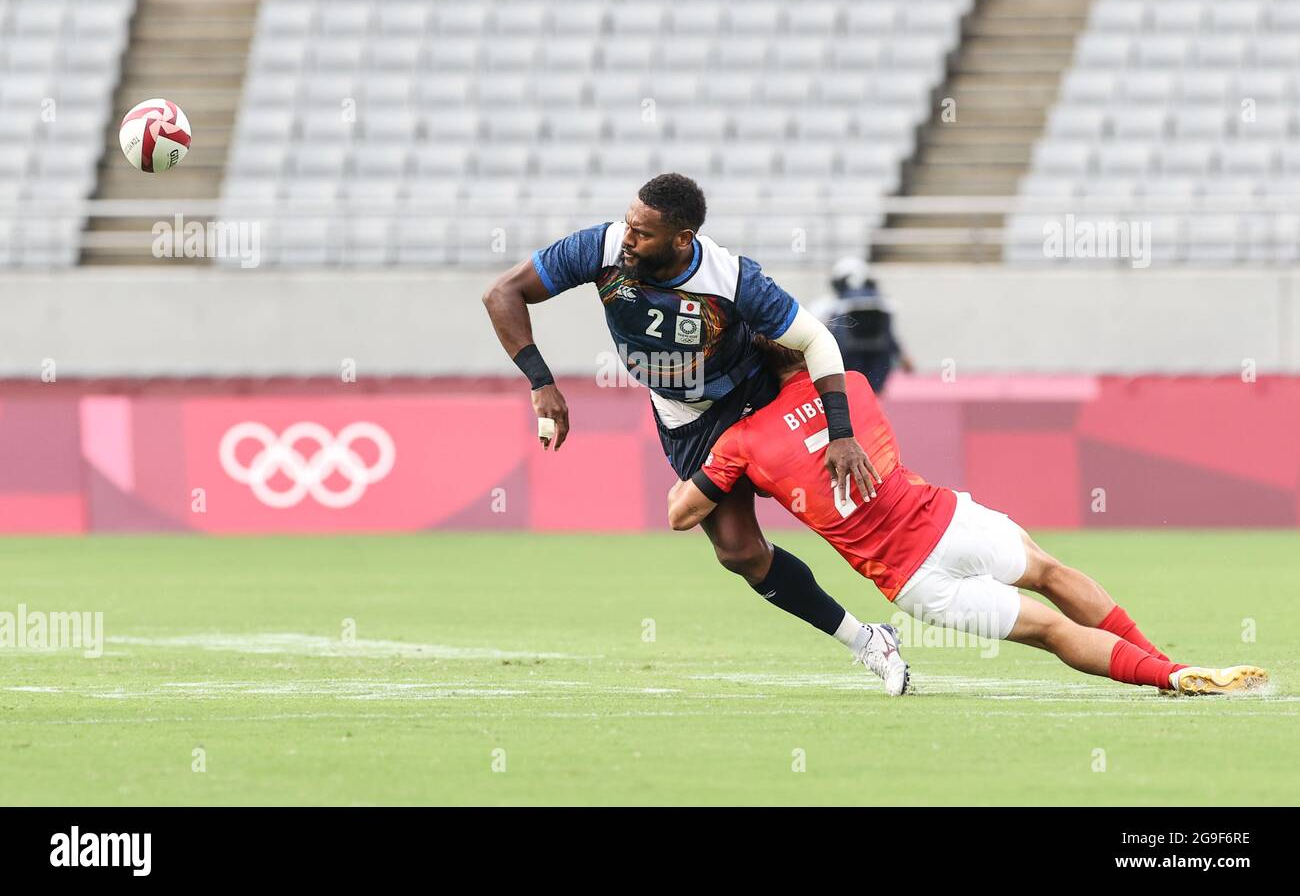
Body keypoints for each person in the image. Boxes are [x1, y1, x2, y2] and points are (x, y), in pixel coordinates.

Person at [666, 337, 1269, 697]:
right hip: (947, 521)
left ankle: (1166, 679)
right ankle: (1167, 664)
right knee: (1052, 573)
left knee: (1050, 632)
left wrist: (711, 456)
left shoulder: (744, 442)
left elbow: (681, 514)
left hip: (914, 581)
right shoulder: (853, 385)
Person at [482, 174, 903, 680]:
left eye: (642, 233)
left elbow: (817, 339)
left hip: (758, 398)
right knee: (739, 552)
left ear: (682, 239)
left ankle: (939, 570)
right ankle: (867, 639)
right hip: (686, 418)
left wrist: (842, 433)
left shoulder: (731, 278)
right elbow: (502, 293)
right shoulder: (603, 247)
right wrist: (541, 382)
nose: (627, 238)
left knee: (846, 507)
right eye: (628, 224)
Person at [813, 256, 913, 393]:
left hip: (856, 366)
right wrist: (903, 356)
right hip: (866, 366)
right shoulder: (882, 303)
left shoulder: (827, 306)